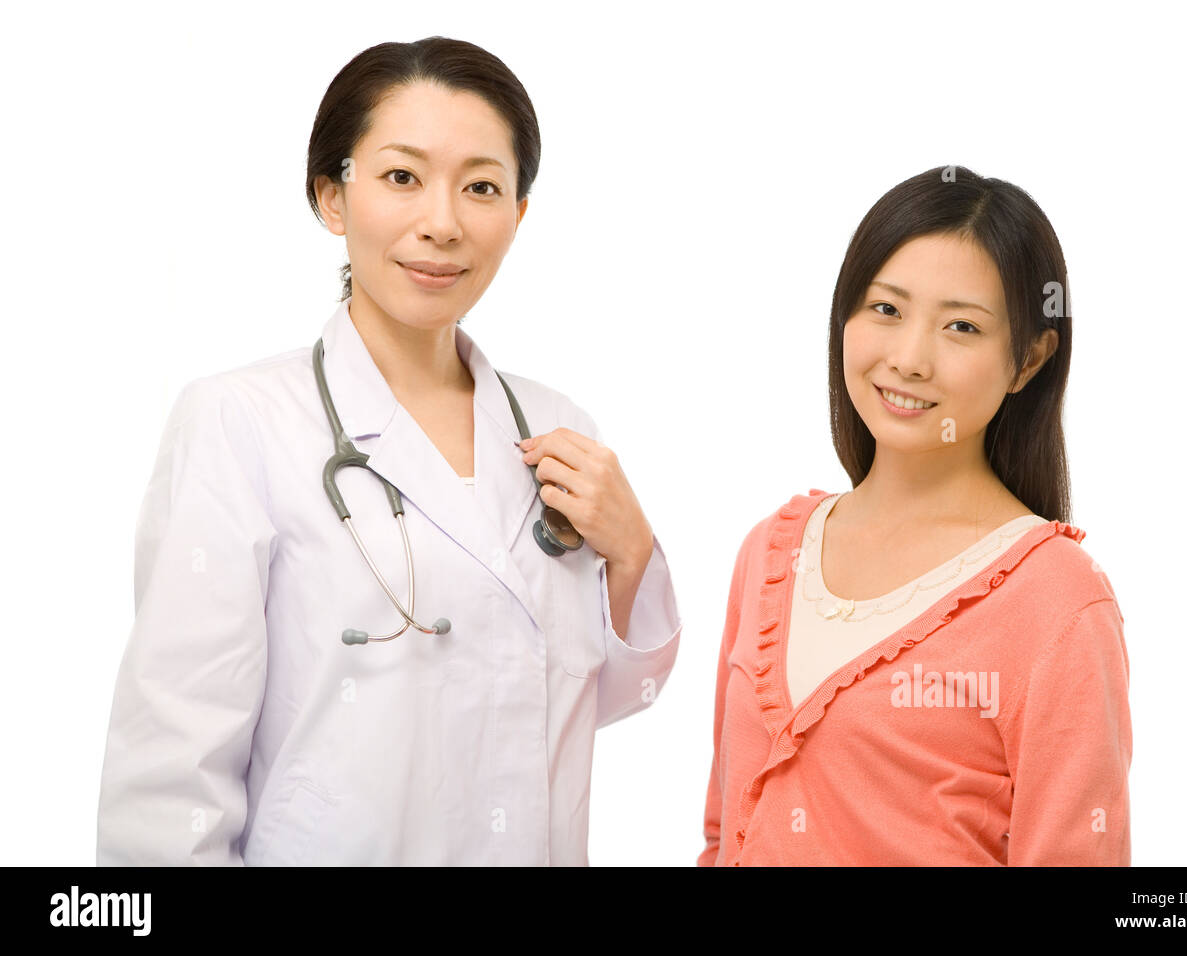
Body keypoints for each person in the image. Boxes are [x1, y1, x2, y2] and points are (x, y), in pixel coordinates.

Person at [97, 36, 681, 866]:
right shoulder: (240, 422)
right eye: (402, 177)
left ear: (517, 215)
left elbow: (595, 702)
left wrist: (631, 555)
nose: (441, 224)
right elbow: (171, 772)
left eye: (481, 187)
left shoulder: (557, 427)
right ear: (332, 198)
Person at [698, 166, 1132, 866]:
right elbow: (723, 838)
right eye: (886, 309)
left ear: (1029, 359)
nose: (908, 359)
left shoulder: (1057, 601)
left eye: (961, 326)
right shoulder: (772, 553)